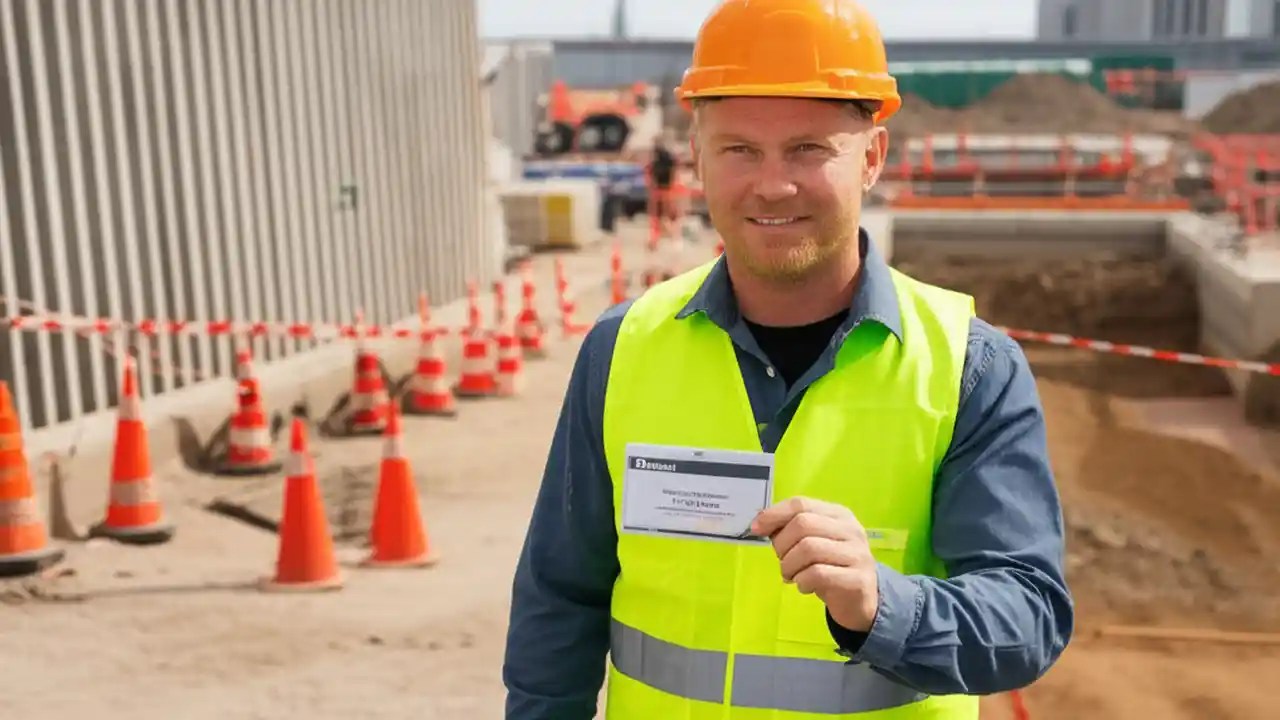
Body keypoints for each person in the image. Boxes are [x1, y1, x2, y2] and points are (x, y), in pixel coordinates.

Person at [502, 2, 1074, 718]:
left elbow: (1028, 617)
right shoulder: (622, 348)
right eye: (740, 149)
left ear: (871, 158)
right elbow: (559, 599)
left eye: (807, 149)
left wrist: (882, 604)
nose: (772, 186)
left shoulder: (970, 367)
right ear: (699, 157)